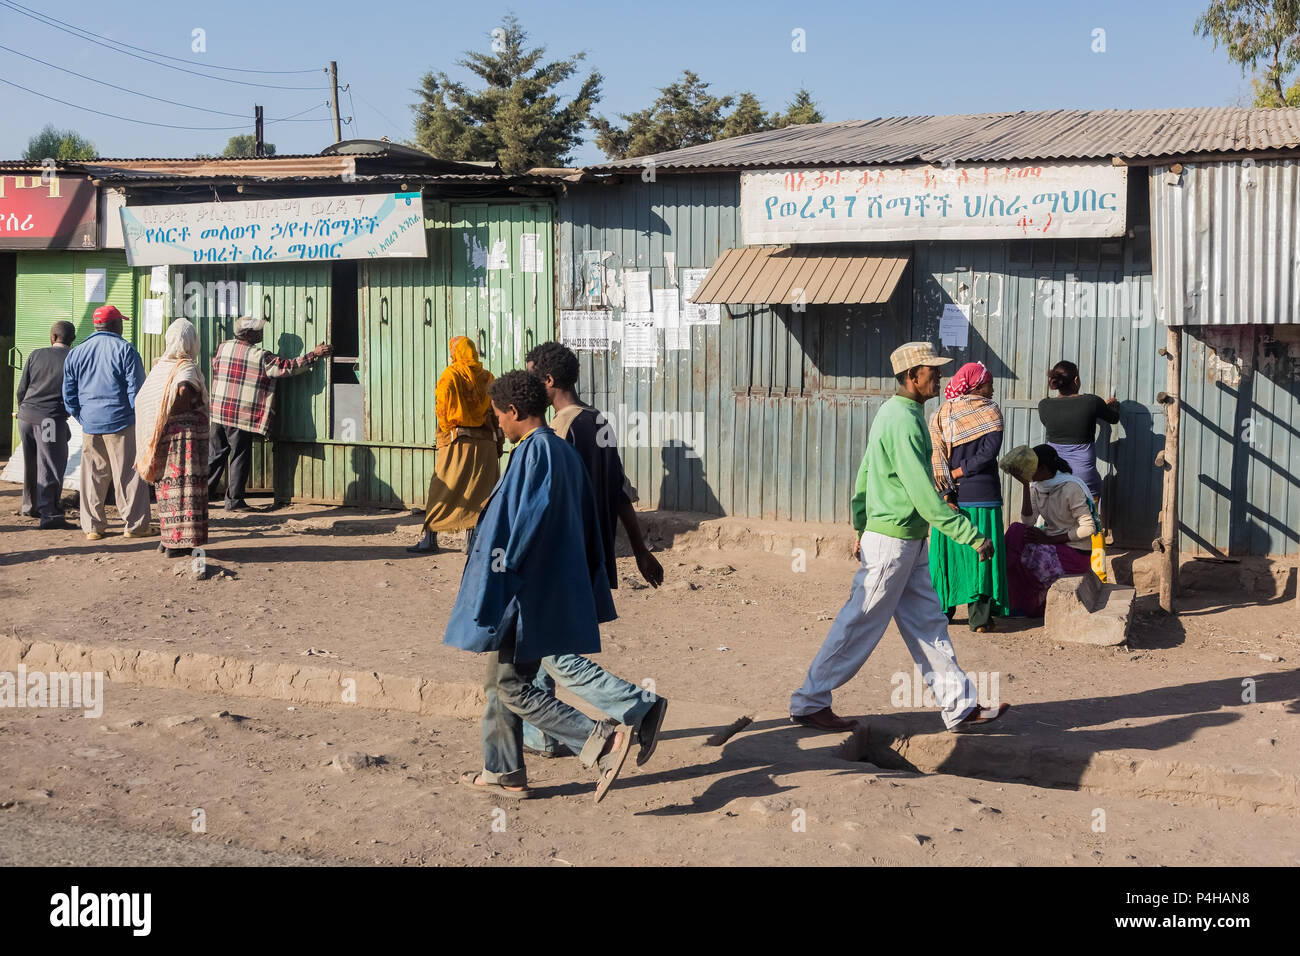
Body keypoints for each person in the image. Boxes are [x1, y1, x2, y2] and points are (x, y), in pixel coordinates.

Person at [790, 342, 1010, 733]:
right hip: (893, 543)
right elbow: (923, 493)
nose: (939, 377)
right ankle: (809, 701)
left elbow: (865, 474)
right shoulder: (905, 421)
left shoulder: (895, 414)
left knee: (929, 624)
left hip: (905, 540)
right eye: (932, 371)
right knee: (859, 623)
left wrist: (861, 522)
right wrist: (971, 536)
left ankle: (960, 705)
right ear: (912, 376)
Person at [443, 370, 635, 803]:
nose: (497, 426)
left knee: (512, 686)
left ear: (514, 411)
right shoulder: (558, 452)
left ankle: (600, 740)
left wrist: (500, 586)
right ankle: (504, 772)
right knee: (498, 683)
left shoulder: (537, 453)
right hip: (541, 590)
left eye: (497, 417)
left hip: (523, 594)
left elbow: (524, 531)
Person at [520, 341, 668, 764]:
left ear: (548, 381)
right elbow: (620, 492)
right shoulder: (598, 420)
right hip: (591, 553)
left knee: (550, 647)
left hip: (564, 557)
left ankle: (640, 705)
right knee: (536, 646)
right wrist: (640, 551)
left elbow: (551, 502)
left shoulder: (561, 430)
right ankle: (543, 736)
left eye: (531, 377)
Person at [208, 316, 332, 511]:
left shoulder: (223, 347)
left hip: (218, 411)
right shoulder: (261, 356)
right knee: (240, 455)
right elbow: (286, 367)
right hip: (239, 415)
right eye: (258, 330)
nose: (261, 333)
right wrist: (313, 354)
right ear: (248, 334)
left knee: (216, 455)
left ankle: (200, 497)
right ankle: (234, 501)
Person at [928, 361, 1009, 632]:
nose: (993, 386)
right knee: (981, 555)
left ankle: (942, 612)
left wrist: (946, 489)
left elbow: (936, 457)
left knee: (949, 556)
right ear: (976, 385)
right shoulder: (990, 411)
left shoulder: (941, 413)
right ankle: (980, 619)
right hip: (983, 495)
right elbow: (989, 453)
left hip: (950, 498)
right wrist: (961, 472)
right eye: (988, 382)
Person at [62, 305, 153, 541]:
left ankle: (93, 527)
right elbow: (138, 393)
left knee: (93, 475)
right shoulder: (125, 350)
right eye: (121, 322)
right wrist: (140, 422)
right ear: (116, 325)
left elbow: (69, 394)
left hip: (90, 424)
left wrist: (83, 417)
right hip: (121, 422)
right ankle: (135, 525)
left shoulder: (77, 352)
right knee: (129, 475)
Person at [408, 336, 502, 554]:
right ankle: (471, 543)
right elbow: (495, 411)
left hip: (457, 442)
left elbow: (443, 409)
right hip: (486, 444)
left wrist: (443, 433)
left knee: (442, 489)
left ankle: (430, 539)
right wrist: (499, 439)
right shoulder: (487, 378)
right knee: (479, 493)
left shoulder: (451, 375)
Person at [134, 319, 210, 558]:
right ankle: (183, 543)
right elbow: (183, 393)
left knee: (167, 489)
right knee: (187, 489)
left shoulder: (160, 367)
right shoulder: (184, 367)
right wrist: (191, 409)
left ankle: (167, 540)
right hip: (184, 440)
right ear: (190, 341)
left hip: (164, 439)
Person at [1002, 444, 1100, 618]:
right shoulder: (1038, 486)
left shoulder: (1071, 487)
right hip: (1052, 545)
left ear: (1043, 468)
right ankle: (1007, 590)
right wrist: (1026, 486)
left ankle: (1024, 603)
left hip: (1074, 552)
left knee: (1025, 558)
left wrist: (1050, 540)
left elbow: (1088, 527)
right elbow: (1028, 521)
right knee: (1016, 531)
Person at [16, 321, 76, 530]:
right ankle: (50, 515)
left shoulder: (35, 354)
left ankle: (30, 506)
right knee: (50, 465)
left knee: (31, 462)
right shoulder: (73, 358)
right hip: (50, 420)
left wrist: (23, 409)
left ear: (52, 337)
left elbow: (21, 389)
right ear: (73, 339)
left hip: (25, 417)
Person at [1037, 360, 1120, 502]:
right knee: (1088, 520)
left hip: (1054, 477)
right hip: (1084, 480)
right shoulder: (1092, 402)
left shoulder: (1044, 405)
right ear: (1076, 380)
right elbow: (1113, 418)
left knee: (1056, 520)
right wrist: (1112, 406)